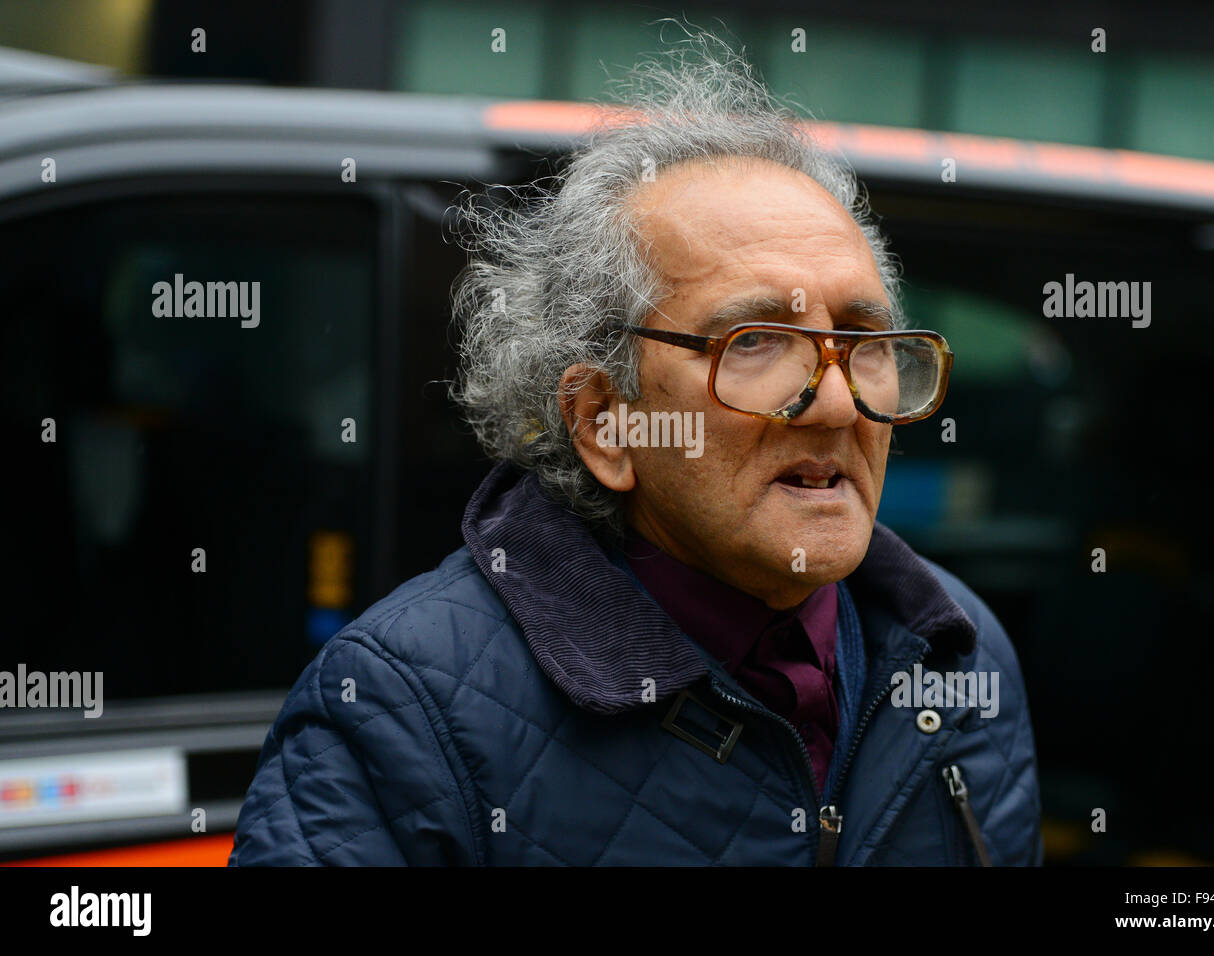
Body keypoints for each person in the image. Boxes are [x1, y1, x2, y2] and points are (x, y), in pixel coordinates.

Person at [229, 27, 1042, 866]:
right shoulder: (402, 710)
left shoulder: (956, 650)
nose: (837, 402)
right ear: (603, 422)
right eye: (756, 344)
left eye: (863, 339)